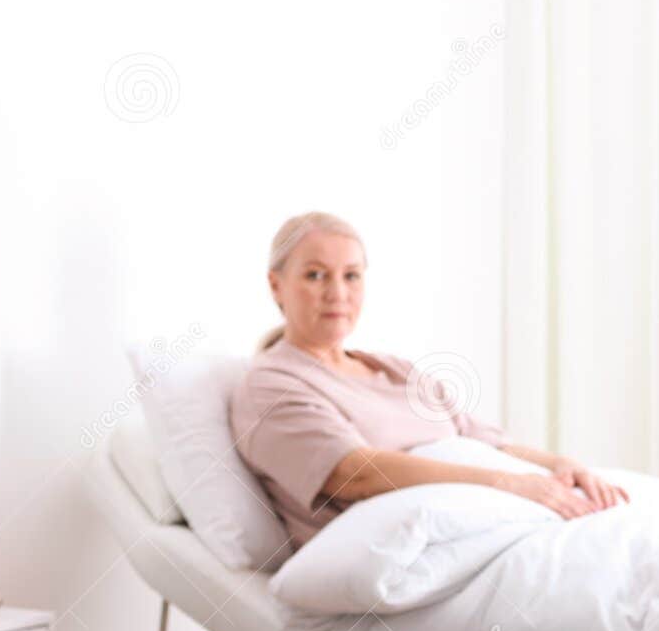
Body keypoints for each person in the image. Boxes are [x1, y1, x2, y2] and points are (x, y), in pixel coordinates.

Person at [231, 212, 627, 549]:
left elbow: (489, 442)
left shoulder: (394, 369)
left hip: (500, 523)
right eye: (315, 275)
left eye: (351, 276)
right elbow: (355, 473)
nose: (337, 293)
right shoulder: (271, 384)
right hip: (419, 549)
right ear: (275, 285)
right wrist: (508, 485)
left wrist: (560, 466)